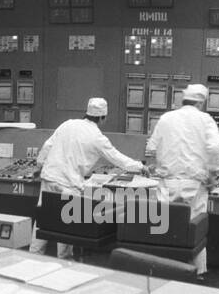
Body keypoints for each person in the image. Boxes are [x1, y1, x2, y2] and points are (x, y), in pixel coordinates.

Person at [29, 97, 145, 260]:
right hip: (68, 184)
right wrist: (141, 167)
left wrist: (39, 165)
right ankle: (64, 263)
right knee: (65, 228)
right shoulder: (97, 137)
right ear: (103, 117)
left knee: (43, 220)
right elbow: (117, 158)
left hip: (49, 177)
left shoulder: (67, 124)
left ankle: (32, 258)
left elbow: (48, 145)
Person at [145, 83, 219, 274]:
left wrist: (156, 165)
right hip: (194, 184)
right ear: (201, 103)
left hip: (167, 182)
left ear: (184, 99)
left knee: (163, 229)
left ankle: (161, 272)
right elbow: (214, 147)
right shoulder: (205, 120)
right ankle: (199, 274)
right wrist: (212, 174)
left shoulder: (166, 118)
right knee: (195, 233)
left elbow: (151, 148)